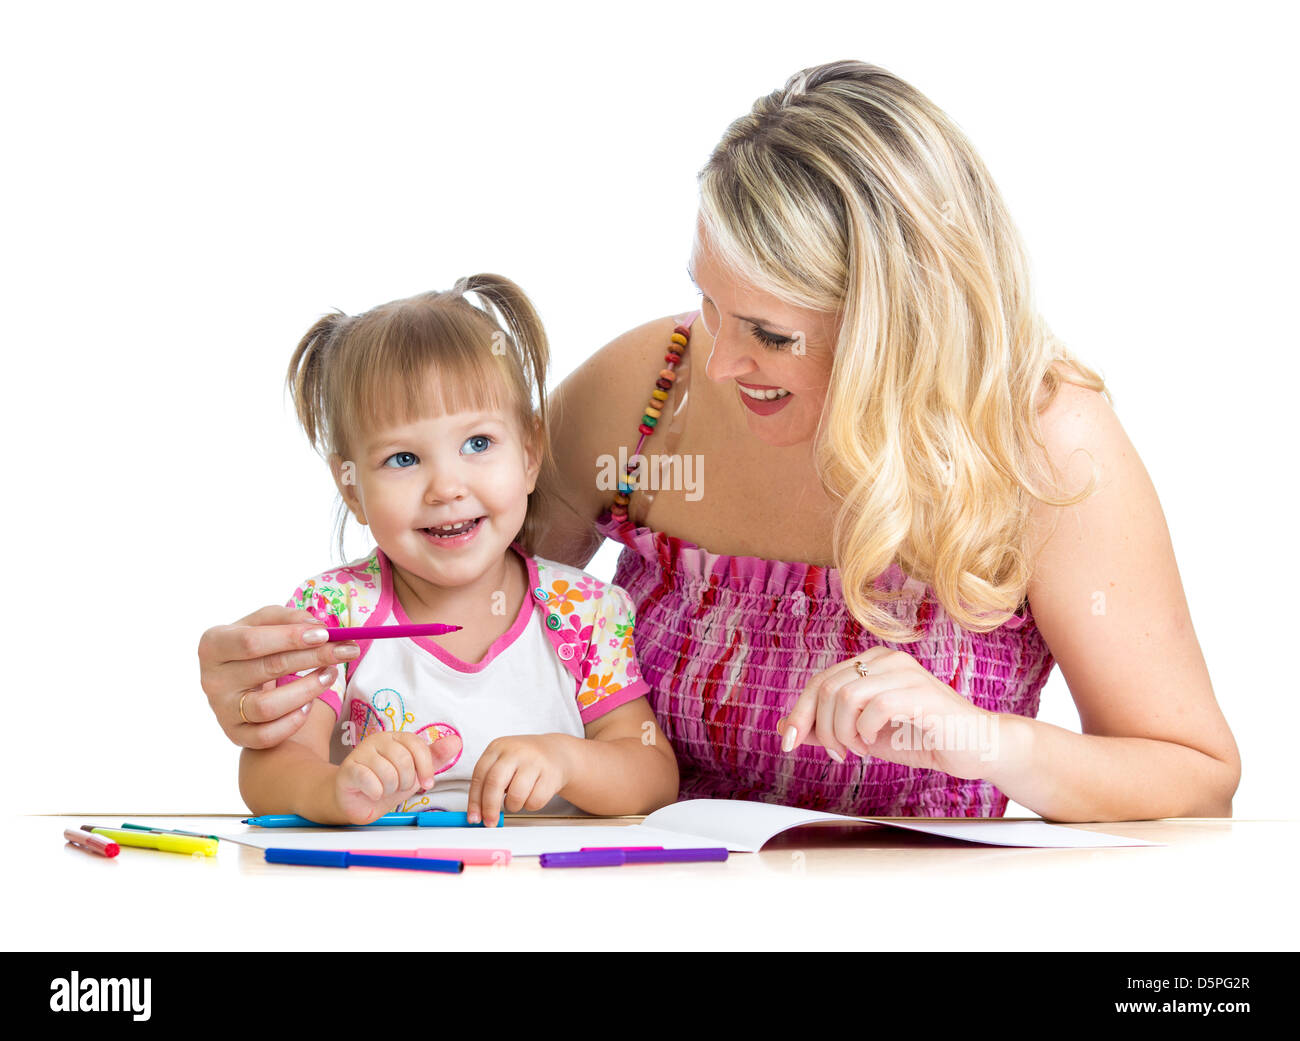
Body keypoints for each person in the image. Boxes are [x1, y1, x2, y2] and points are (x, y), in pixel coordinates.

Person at [202, 61, 1239, 822]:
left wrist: (989, 743)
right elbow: (454, 600)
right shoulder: (646, 396)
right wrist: (276, 690)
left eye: (771, 334)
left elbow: (1193, 772)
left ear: (904, 327)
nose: (714, 360)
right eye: (707, 302)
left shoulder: (1044, 447)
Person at [235, 274, 678, 826]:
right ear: (351, 487)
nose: (446, 487)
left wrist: (568, 759)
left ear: (531, 453)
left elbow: (653, 774)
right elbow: (269, 771)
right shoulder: (335, 612)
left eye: (478, 444)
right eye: (402, 459)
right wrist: (333, 788)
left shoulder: (584, 613)